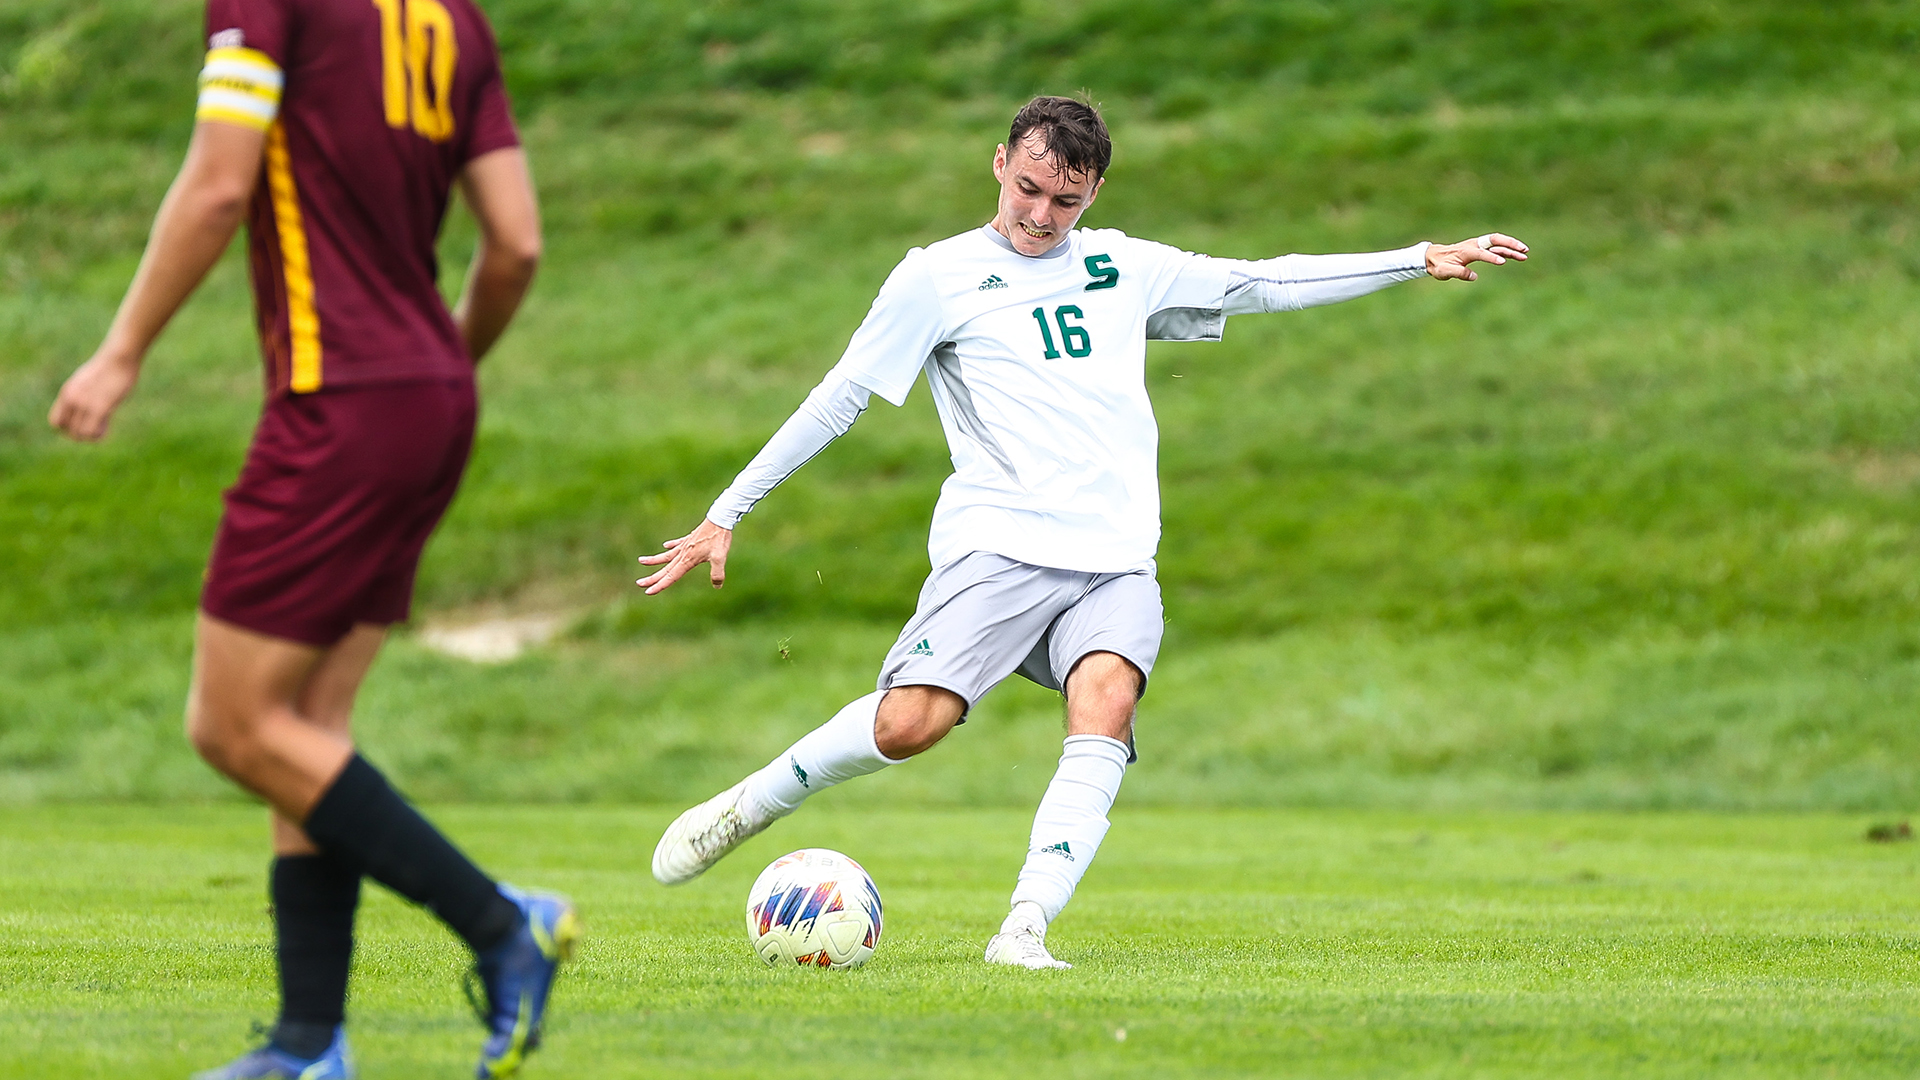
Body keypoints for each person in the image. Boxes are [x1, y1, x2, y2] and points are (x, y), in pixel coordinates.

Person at [638, 95, 1528, 970]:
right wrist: (727, 512)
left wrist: (1416, 258)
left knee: (1106, 701)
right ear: (999, 162)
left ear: (1094, 191)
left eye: (1065, 200)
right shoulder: (935, 276)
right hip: (1002, 548)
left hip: (1115, 562)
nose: (1039, 215)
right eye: (1028, 188)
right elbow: (841, 397)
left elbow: (1262, 279)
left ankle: (1023, 929)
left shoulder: (1123, 266)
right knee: (914, 724)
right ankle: (755, 802)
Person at [47, 1, 573, 1075]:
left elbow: (218, 183)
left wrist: (120, 353)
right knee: (306, 727)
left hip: (338, 399)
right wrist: (440, 369)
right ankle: (307, 1044)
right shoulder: (454, 21)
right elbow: (514, 245)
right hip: (428, 394)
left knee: (232, 725)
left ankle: (500, 926)